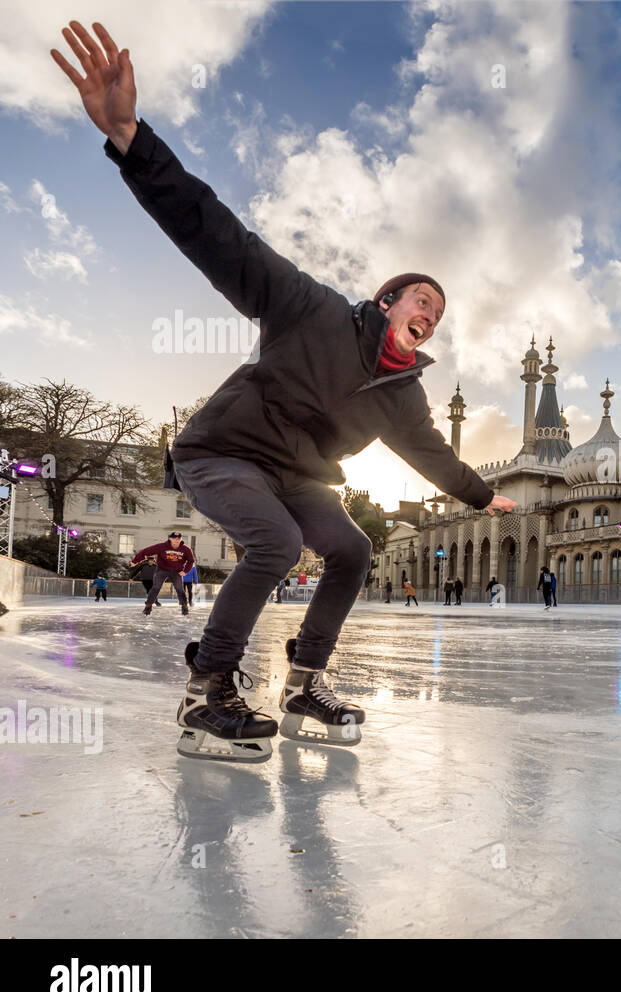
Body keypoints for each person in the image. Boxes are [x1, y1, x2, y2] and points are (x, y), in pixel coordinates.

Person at [52, 20, 517, 762]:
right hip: (224, 453)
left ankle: (304, 682)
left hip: (298, 478)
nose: (427, 313)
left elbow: (430, 452)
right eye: (419, 299)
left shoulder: (403, 394)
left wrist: (478, 496)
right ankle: (207, 691)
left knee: (354, 550)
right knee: (270, 543)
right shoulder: (311, 307)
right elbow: (218, 233)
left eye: (437, 313)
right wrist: (133, 142)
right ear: (388, 300)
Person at [132, 533, 195, 616]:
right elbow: (146, 551)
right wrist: (135, 561)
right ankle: (148, 606)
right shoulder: (162, 546)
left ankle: (184, 607)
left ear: (181, 539)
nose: (176, 540)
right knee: (156, 587)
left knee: (180, 589)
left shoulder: (186, 549)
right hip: (162, 570)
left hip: (176, 571)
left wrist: (185, 571)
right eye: (174, 538)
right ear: (170, 538)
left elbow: (191, 561)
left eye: (178, 538)